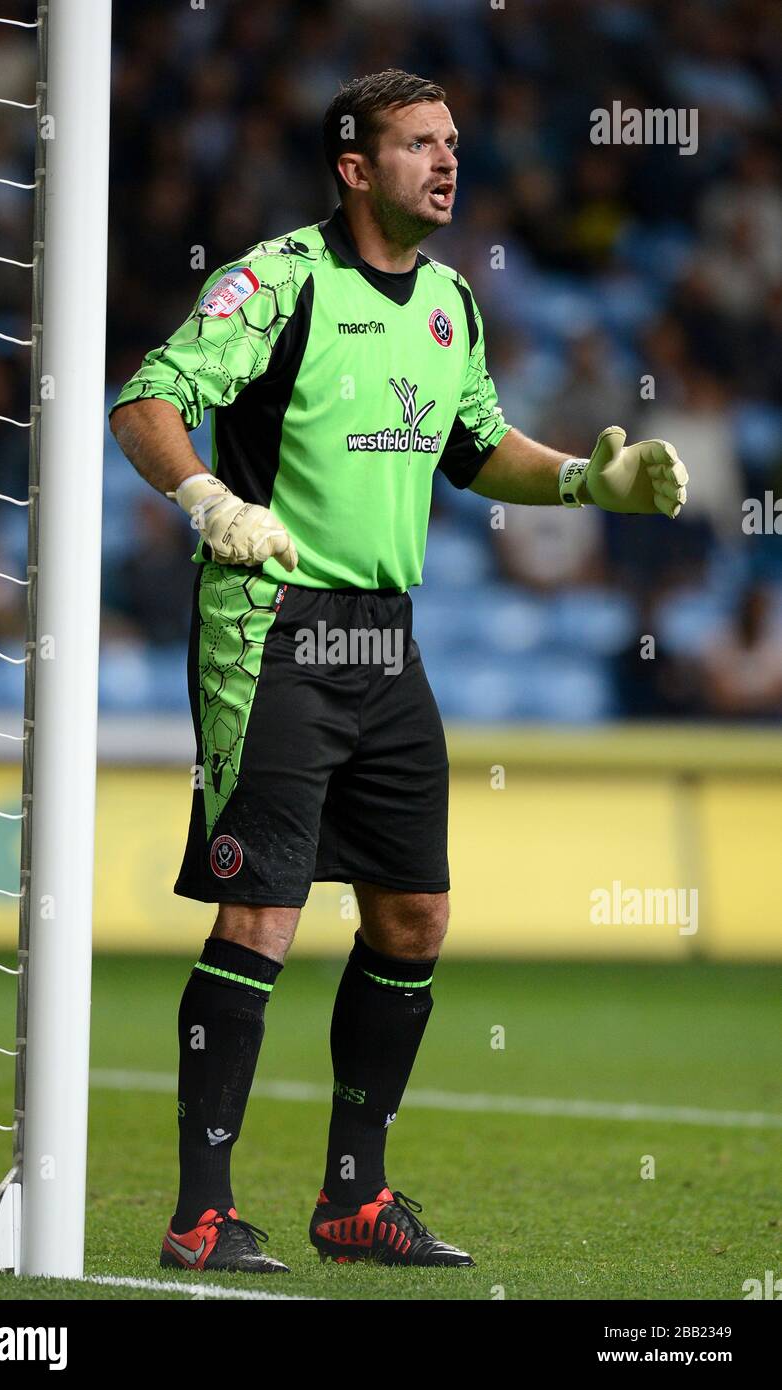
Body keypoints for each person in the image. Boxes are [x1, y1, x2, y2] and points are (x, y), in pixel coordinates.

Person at [109, 68, 688, 1274]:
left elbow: (477, 449)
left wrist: (589, 477)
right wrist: (208, 497)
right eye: (418, 143)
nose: (446, 161)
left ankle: (351, 1200)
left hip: (385, 636)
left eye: (453, 142)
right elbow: (147, 399)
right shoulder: (275, 282)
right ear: (354, 167)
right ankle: (200, 1214)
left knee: (413, 915)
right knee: (261, 911)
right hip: (272, 625)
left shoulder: (450, 305)